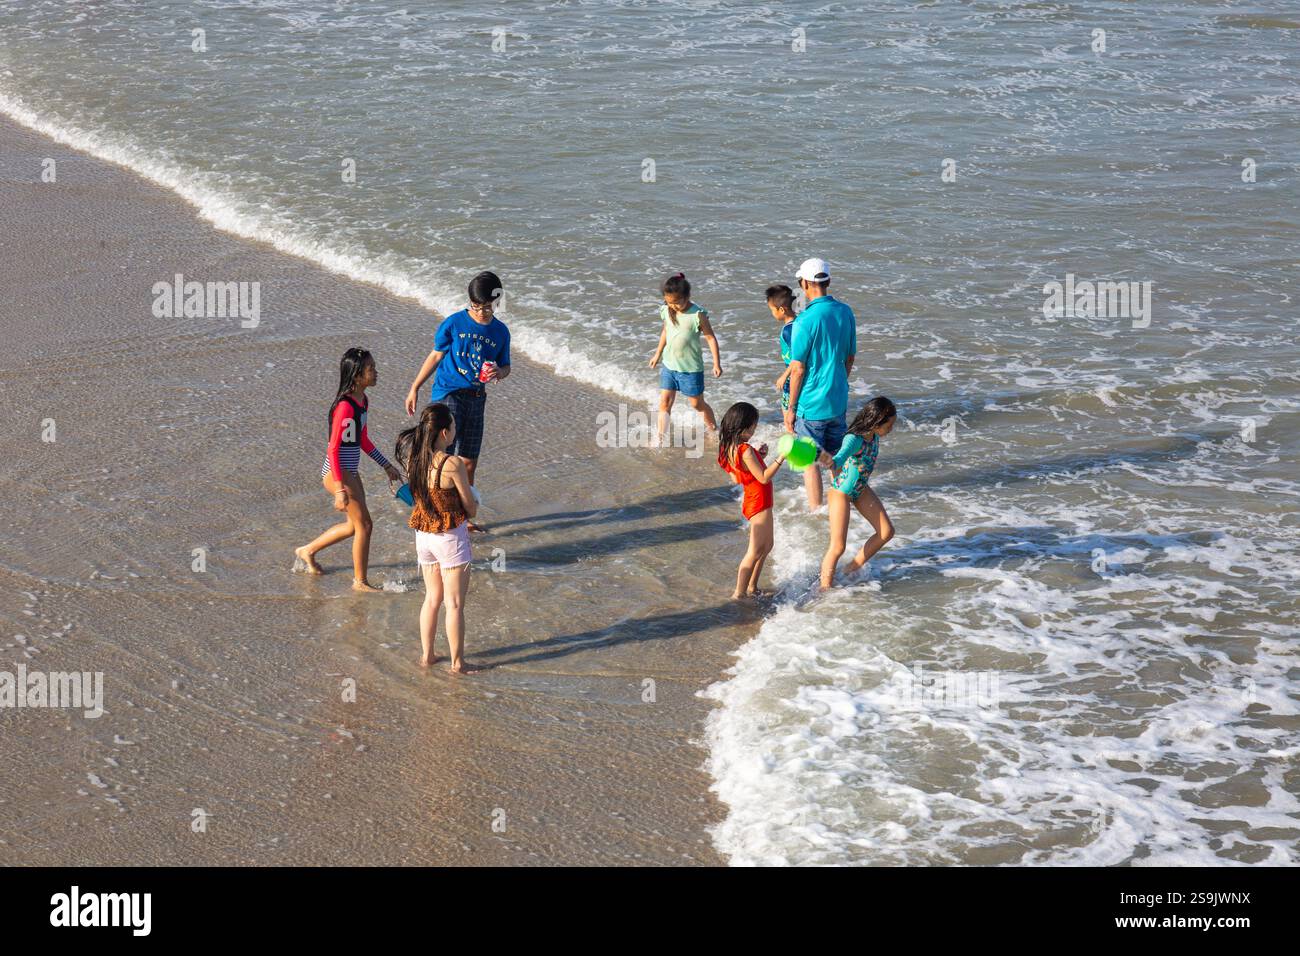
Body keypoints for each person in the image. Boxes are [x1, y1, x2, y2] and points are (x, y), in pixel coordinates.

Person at [405, 271, 511, 530]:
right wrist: (415, 387)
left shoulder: (500, 331)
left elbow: (506, 365)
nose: (482, 312)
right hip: (448, 393)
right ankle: (427, 507)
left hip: (477, 398)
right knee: (440, 455)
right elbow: (435, 357)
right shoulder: (453, 323)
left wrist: (499, 372)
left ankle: (462, 514)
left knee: (468, 461)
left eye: (487, 307)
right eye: (477, 306)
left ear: (497, 301)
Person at [296, 348, 403, 591]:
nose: (376, 372)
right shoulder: (345, 407)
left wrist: (386, 465)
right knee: (365, 525)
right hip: (337, 472)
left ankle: (307, 551)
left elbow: (362, 439)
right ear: (356, 376)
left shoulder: (362, 401)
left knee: (354, 526)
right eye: (371, 369)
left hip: (349, 471)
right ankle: (360, 582)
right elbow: (333, 449)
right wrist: (340, 489)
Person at [395, 403, 479, 674]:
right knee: (454, 604)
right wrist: (474, 500)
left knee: (432, 598)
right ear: (444, 432)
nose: (455, 430)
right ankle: (458, 664)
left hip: (423, 536)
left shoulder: (414, 459)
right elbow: (471, 507)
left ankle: (427, 656)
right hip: (449, 539)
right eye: (453, 427)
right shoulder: (451, 463)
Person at [782, 258, 857, 511]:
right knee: (836, 459)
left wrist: (791, 408)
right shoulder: (845, 312)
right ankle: (839, 507)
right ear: (828, 281)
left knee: (810, 461)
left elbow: (798, 369)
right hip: (837, 400)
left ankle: (816, 512)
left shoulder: (804, 321)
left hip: (811, 405)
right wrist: (838, 385)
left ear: (804, 284)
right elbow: (849, 357)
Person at [818, 396, 896, 589]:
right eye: (889, 425)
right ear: (877, 422)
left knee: (886, 532)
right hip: (841, 492)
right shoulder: (854, 439)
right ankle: (824, 589)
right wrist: (829, 461)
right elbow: (839, 459)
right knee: (838, 546)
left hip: (860, 489)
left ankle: (850, 570)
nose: (891, 429)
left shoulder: (875, 436)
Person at [717, 402, 786, 600]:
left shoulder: (728, 448)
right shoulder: (745, 450)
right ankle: (738, 593)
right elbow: (764, 477)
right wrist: (781, 457)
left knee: (767, 545)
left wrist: (759, 456)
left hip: (753, 499)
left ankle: (752, 587)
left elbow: (737, 477)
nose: (753, 432)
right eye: (752, 428)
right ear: (742, 427)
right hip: (759, 501)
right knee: (755, 550)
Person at [649, 272, 722, 445]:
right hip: (669, 366)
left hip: (690, 369)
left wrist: (716, 363)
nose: (673, 306)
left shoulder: (698, 315)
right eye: (669, 302)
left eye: (676, 302)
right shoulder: (667, 310)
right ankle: (661, 437)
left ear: (687, 296)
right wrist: (657, 354)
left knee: (697, 404)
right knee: (665, 402)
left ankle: (714, 430)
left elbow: (710, 338)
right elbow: (666, 331)